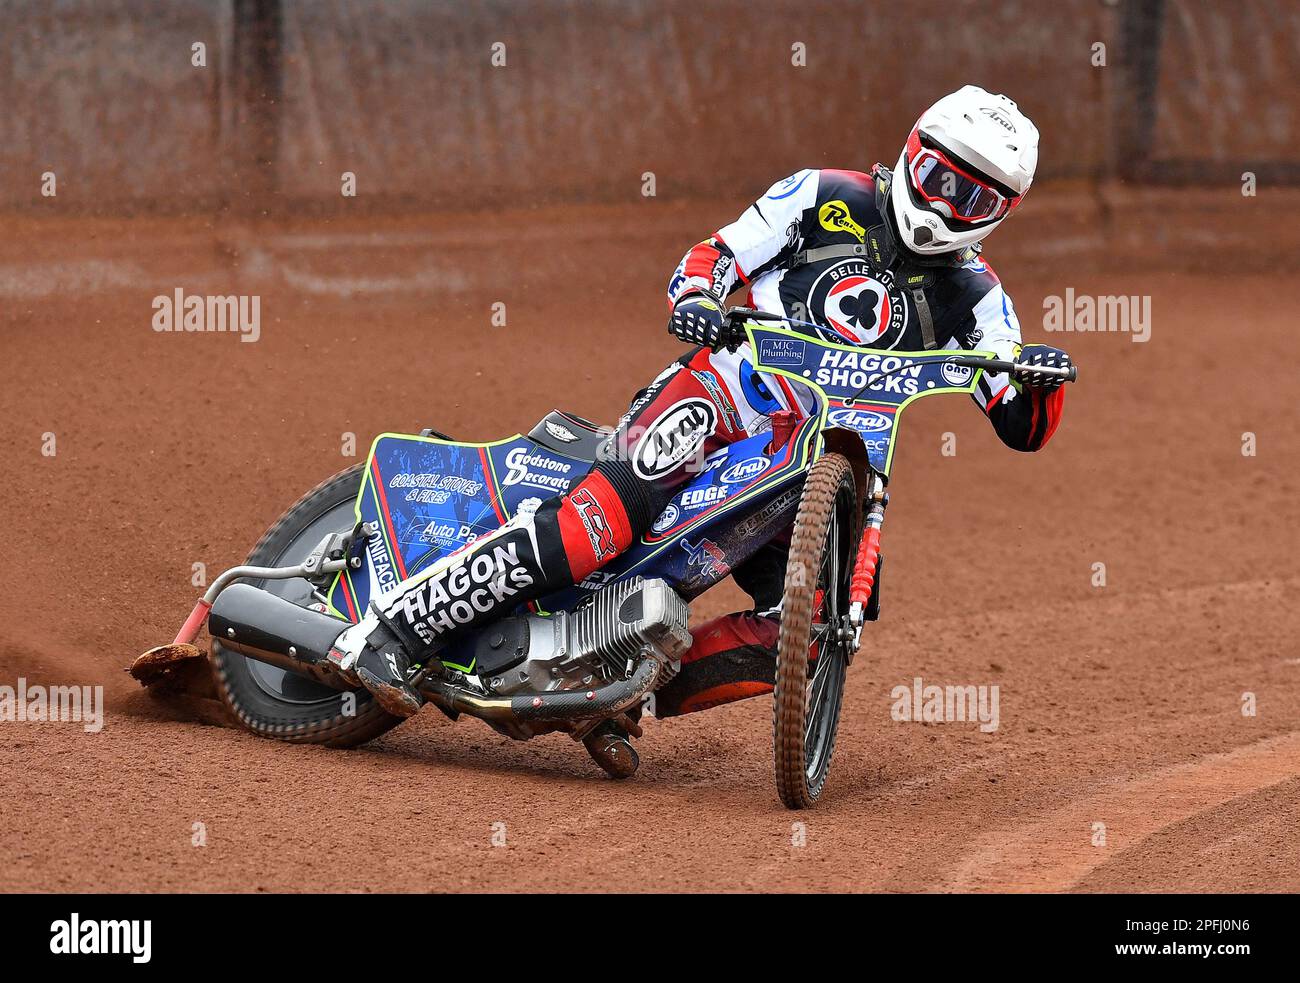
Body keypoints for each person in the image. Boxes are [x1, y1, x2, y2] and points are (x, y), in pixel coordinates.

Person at [339, 84, 1072, 726]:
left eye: (970, 197)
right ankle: (396, 631)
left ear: (1000, 212)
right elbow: (716, 254)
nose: (944, 203)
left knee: (813, 626)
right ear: (912, 150)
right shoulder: (824, 194)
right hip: (717, 397)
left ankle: (620, 696)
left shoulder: (979, 298)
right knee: (593, 529)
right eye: (939, 176)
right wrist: (695, 299)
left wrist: (1042, 383)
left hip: (824, 461)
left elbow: (1019, 420)